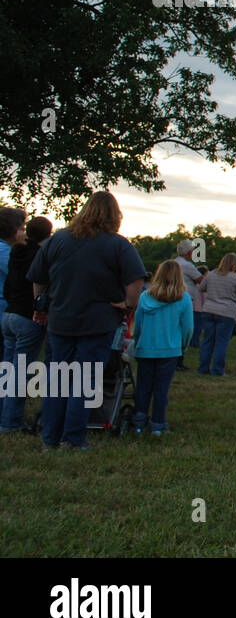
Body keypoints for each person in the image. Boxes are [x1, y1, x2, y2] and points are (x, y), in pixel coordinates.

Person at [27, 191, 147, 450]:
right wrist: (129, 305)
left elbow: (38, 277)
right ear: (114, 215)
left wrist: (41, 304)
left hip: (60, 322)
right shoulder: (118, 245)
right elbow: (137, 279)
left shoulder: (57, 240)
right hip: (98, 323)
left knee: (58, 381)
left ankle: (50, 438)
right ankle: (73, 438)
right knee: (83, 383)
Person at [1, 215, 54, 433]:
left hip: (9, 315)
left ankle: (5, 414)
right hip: (26, 317)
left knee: (7, 369)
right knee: (22, 373)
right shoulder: (39, 257)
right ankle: (11, 421)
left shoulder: (15, 252)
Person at [131, 260, 194, 434]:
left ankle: (138, 422)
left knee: (143, 387)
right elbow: (188, 327)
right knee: (161, 389)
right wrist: (183, 346)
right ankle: (158, 424)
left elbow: (138, 325)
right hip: (170, 349)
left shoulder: (145, 297)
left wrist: (137, 342)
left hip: (145, 349)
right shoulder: (184, 299)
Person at [197, 253, 236, 376]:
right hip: (226, 312)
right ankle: (217, 370)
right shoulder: (235, 278)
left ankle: (203, 368)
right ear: (233, 264)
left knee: (207, 341)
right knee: (221, 342)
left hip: (209, 309)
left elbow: (201, 288)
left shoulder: (211, 274)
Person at [173, 239, 202, 371]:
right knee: (184, 329)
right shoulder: (187, 266)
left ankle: (174, 359)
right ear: (189, 252)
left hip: (172, 299)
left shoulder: (173, 263)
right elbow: (200, 279)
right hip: (185, 299)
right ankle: (179, 360)